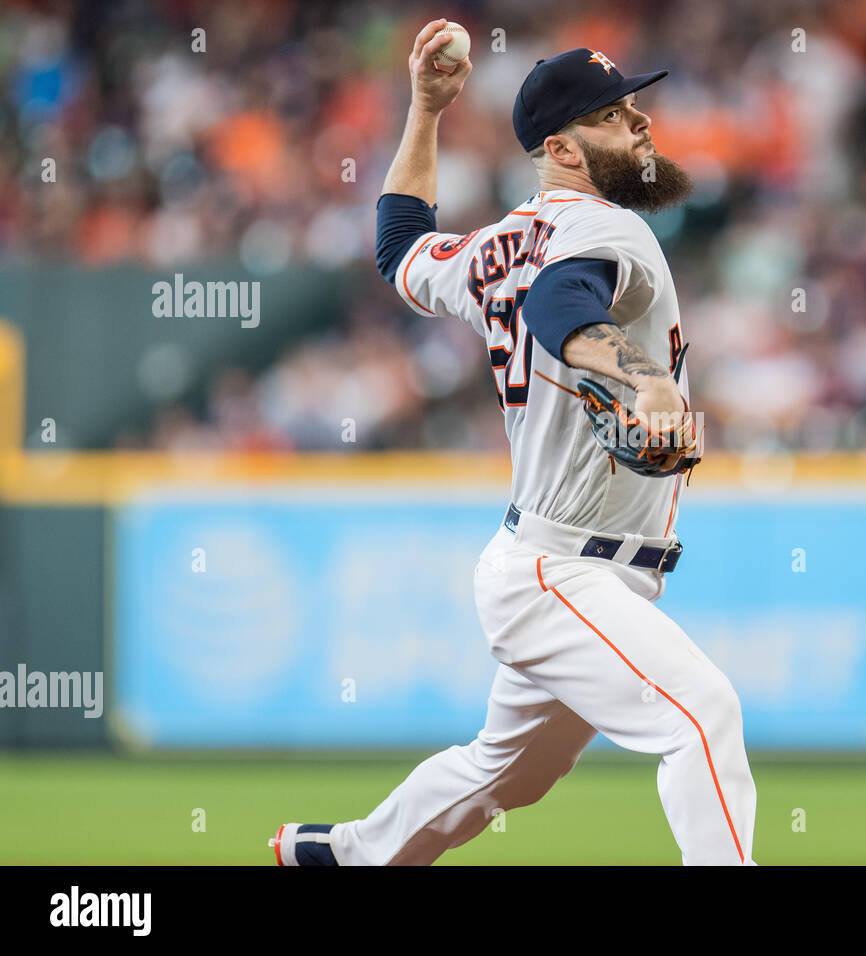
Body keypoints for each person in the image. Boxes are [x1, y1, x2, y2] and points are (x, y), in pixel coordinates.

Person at [270, 18, 757, 866]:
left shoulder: (492, 247)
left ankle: (348, 854)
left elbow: (399, 245)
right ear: (565, 149)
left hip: (559, 564)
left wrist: (424, 111)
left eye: (635, 107)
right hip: (560, 571)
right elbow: (561, 308)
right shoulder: (608, 229)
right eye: (615, 115)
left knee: (506, 773)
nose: (640, 123)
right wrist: (641, 376)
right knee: (702, 714)